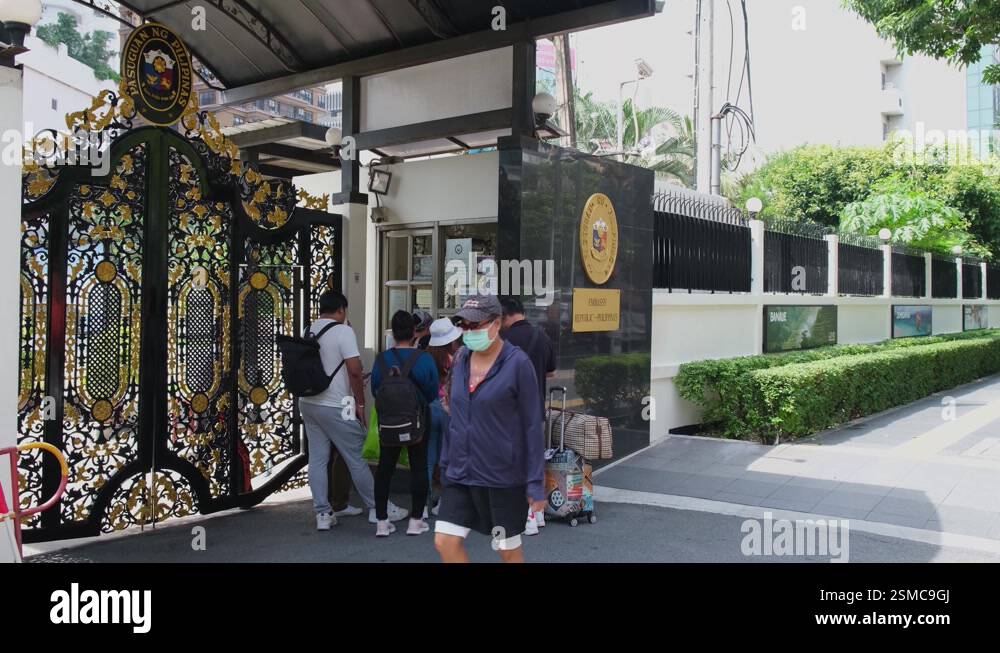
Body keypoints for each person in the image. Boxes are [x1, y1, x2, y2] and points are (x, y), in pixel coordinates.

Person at [434, 295, 546, 563]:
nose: (469, 331)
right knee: (445, 541)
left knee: (506, 550)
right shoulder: (460, 360)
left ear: (496, 324)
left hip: (501, 477)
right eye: (464, 325)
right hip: (461, 474)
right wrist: (446, 463)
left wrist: (535, 483)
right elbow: (453, 415)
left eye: (476, 325)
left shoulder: (518, 364)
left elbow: (532, 425)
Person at [298, 290, 408, 530]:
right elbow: (355, 370)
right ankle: (378, 509)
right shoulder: (343, 331)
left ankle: (323, 514)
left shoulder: (309, 330)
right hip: (337, 405)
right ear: (341, 310)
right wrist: (360, 403)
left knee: (317, 458)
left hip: (309, 403)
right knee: (357, 456)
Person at [371, 310, 440, 537]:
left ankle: (382, 522)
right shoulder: (425, 359)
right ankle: (416, 521)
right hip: (418, 421)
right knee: (419, 467)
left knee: (384, 469)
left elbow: (375, 391)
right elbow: (432, 393)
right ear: (413, 332)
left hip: (388, 422)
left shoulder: (381, 359)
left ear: (393, 332)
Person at [500, 296, 557, 535]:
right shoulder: (542, 336)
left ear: (506, 316)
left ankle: (527, 518)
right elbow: (552, 372)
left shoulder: (504, 341)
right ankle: (538, 514)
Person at [424, 317, 464, 517]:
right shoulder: (458, 358)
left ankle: (422, 505)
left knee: (428, 457)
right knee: (447, 458)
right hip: (449, 410)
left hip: (429, 409)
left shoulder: (425, 358)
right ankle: (445, 503)